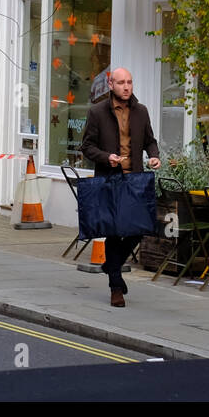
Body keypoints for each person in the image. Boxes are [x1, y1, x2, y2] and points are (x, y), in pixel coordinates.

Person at [79, 67, 161, 308]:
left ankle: (110, 265)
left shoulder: (141, 112)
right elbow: (87, 147)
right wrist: (108, 158)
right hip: (110, 180)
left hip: (135, 180)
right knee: (114, 232)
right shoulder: (97, 112)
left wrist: (154, 156)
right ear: (111, 84)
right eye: (121, 82)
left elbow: (150, 141)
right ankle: (116, 287)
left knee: (139, 229)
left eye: (130, 82)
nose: (126, 87)